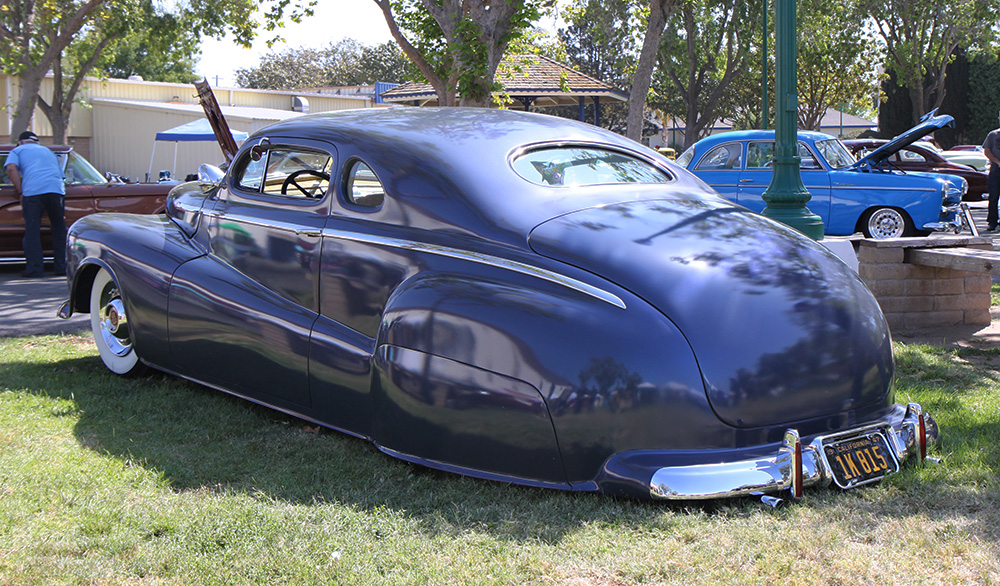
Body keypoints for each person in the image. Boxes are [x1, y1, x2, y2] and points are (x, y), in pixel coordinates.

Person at [5, 130, 67, 277]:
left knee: (32, 230)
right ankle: (61, 267)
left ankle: (35, 269)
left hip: (33, 192)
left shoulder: (17, 150)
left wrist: (20, 190)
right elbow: (61, 175)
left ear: (20, 142)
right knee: (59, 229)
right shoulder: (49, 152)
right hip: (56, 190)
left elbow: (11, 168)